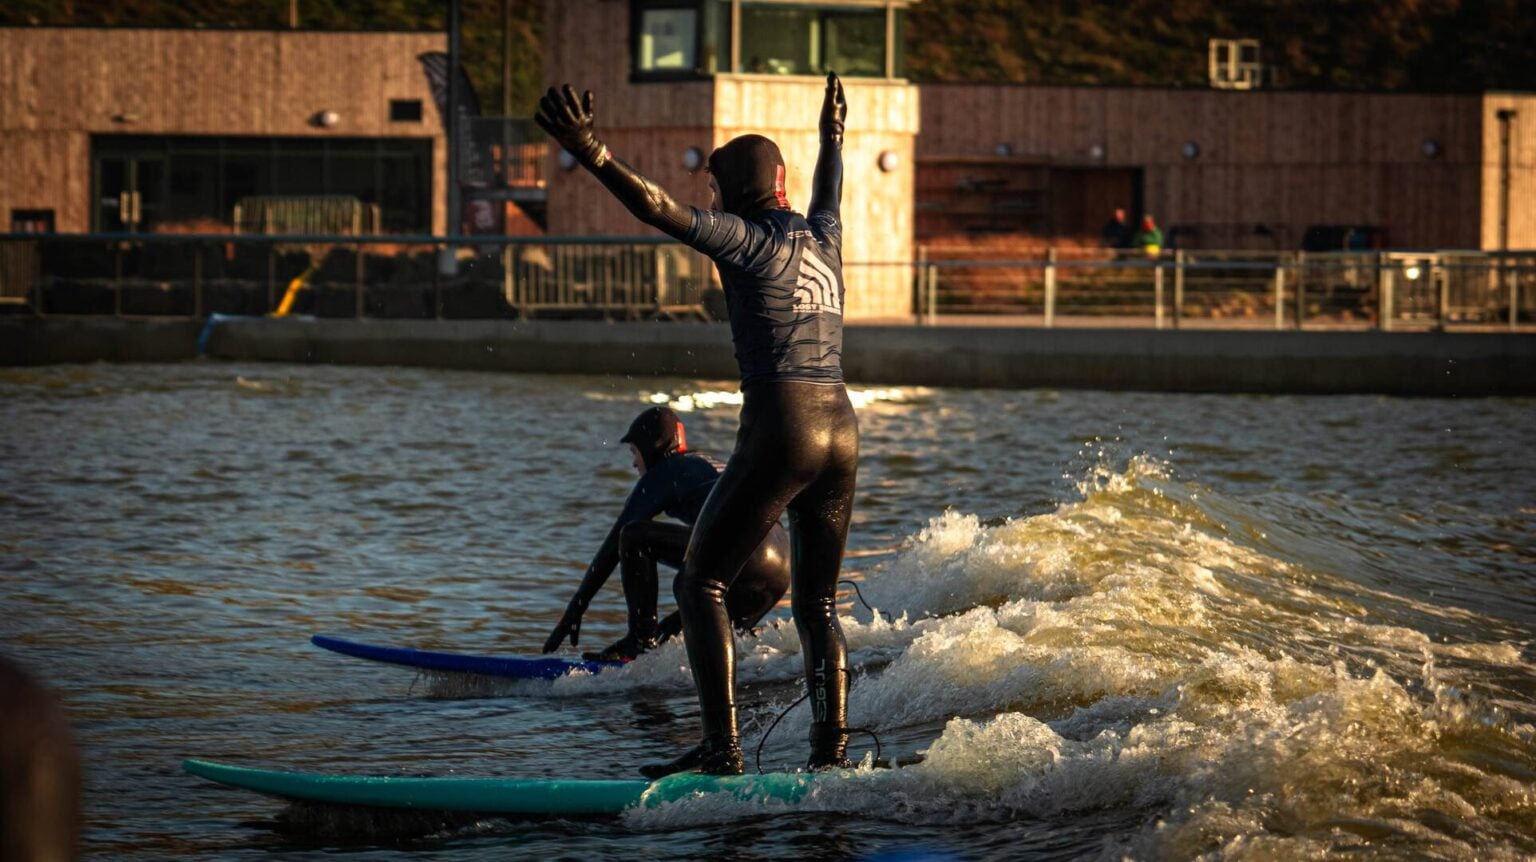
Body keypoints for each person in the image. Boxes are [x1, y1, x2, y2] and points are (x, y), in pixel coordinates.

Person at [535, 72, 859, 776]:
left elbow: (656, 208)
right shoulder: (825, 236)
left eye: (714, 191)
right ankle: (830, 757)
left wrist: (589, 151)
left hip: (783, 427)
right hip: (841, 428)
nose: (708, 202)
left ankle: (721, 751)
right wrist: (832, 134)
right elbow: (829, 189)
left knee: (700, 585)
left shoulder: (745, 239)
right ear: (781, 180)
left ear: (738, 192)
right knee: (818, 604)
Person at [542, 406, 790, 662]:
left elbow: (614, 544)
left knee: (633, 537)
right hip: (776, 570)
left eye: (634, 452)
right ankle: (764, 657)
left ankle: (638, 639)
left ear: (651, 448)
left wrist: (576, 609)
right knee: (669, 639)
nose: (634, 463)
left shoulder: (667, 470)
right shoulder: (702, 463)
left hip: (746, 556)